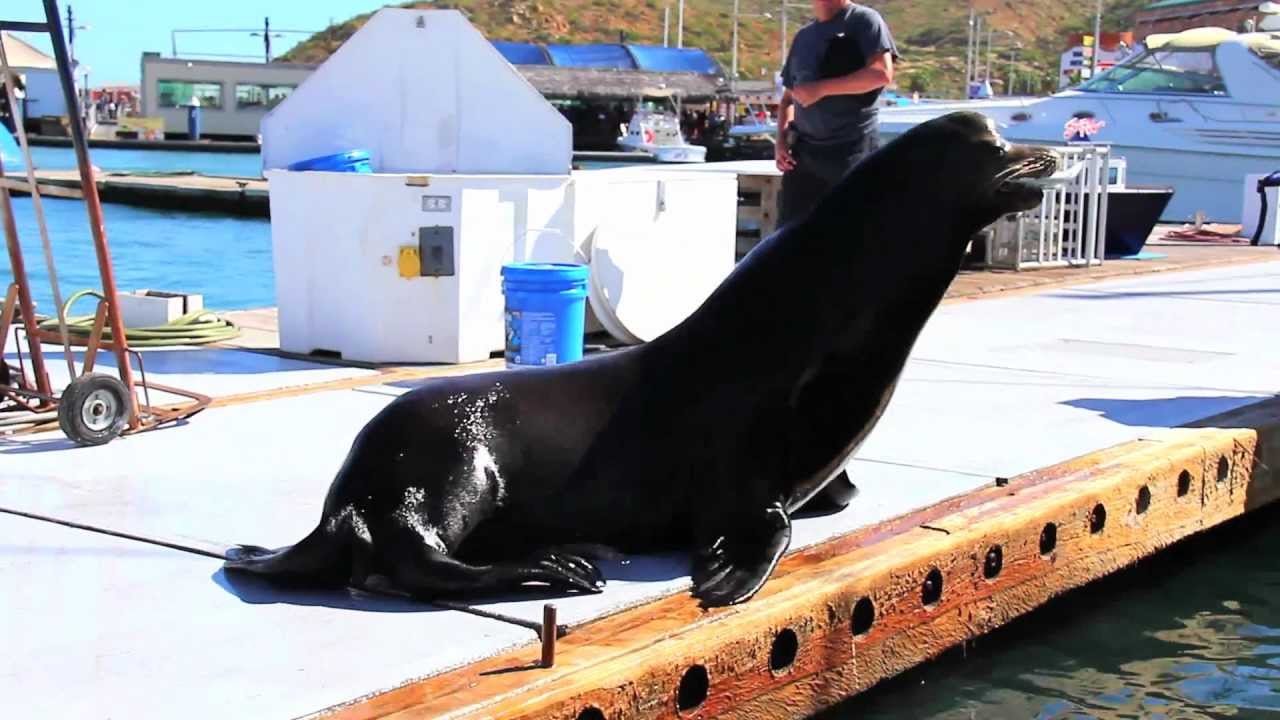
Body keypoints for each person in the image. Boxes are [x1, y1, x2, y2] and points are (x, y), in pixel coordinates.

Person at [775, 0, 898, 226]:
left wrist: (820, 89)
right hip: (803, 156)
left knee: (850, 236)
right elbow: (787, 100)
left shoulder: (864, 20)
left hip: (852, 151)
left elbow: (881, 73)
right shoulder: (803, 37)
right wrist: (781, 142)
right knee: (787, 239)